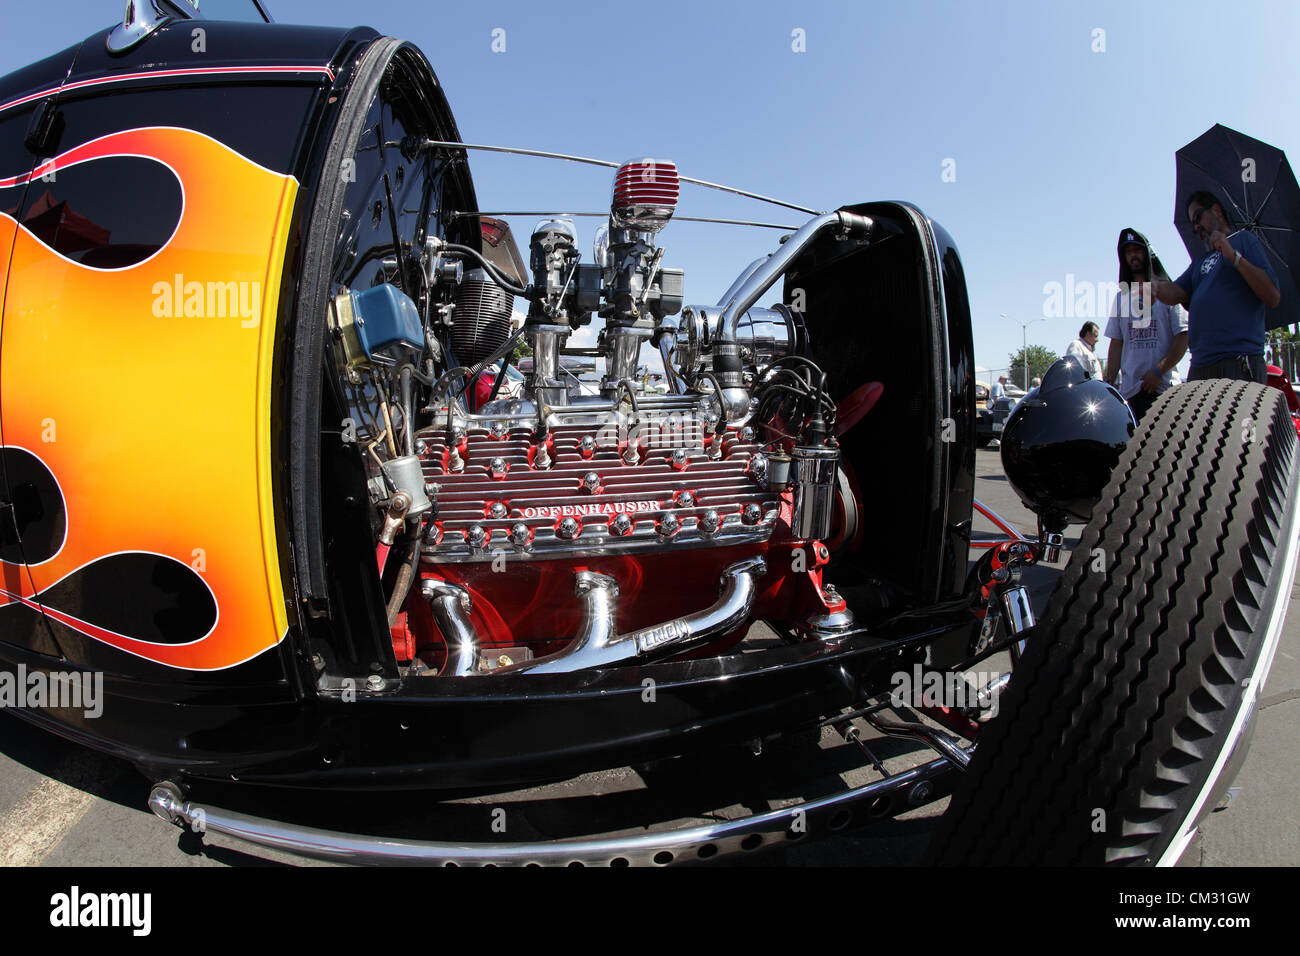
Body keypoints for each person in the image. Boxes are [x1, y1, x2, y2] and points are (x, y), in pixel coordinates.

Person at [1151, 190, 1281, 383]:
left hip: (1238, 362)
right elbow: (1177, 292)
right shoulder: (1199, 262)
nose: (1196, 227)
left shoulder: (1244, 240)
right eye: (1192, 224)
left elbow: (1272, 296)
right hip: (1200, 367)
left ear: (1216, 211)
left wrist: (1234, 257)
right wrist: (1156, 288)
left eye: (1197, 217)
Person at [1103, 228, 1188, 421]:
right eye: (1128, 251)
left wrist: (1158, 371)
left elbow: (1183, 336)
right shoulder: (1121, 298)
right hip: (1131, 394)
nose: (1133, 255)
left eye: (1137, 249)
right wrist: (1108, 383)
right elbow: (1117, 343)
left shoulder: (1168, 291)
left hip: (1164, 391)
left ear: (1147, 253)